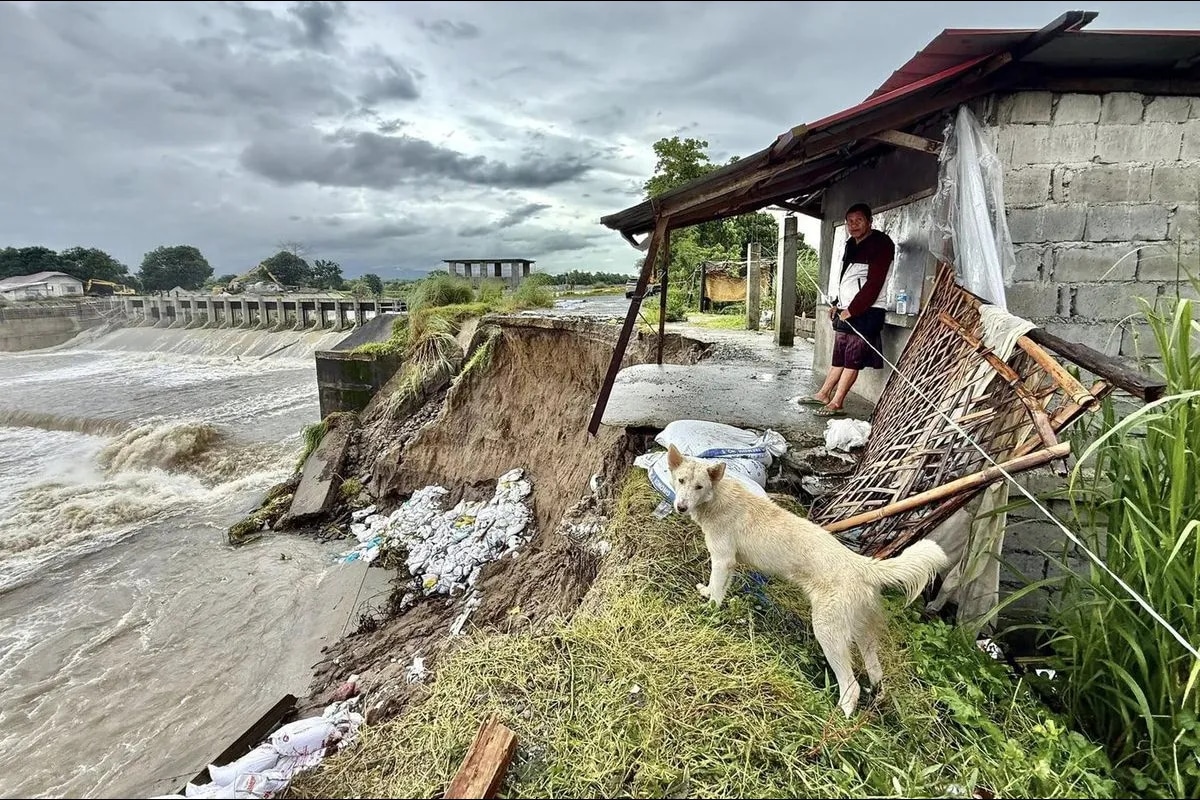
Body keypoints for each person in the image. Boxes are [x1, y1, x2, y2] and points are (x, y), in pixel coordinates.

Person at [801, 202, 895, 417]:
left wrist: (853, 309)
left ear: (870, 222)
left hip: (867, 312)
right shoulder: (851, 244)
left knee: (852, 358)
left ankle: (837, 403)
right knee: (839, 355)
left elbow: (874, 283)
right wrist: (837, 304)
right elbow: (847, 279)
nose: (854, 225)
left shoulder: (881, 243)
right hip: (846, 309)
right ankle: (823, 394)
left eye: (859, 220)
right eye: (849, 221)